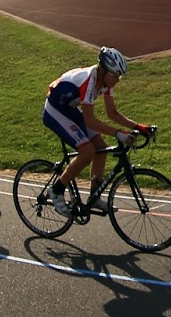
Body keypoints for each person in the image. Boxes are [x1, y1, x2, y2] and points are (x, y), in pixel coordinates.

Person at [40, 46, 153, 216]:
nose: (118, 80)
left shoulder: (106, 81)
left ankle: (94, 196)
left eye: (119, 76)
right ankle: (56, 190)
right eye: (115, 75)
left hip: (69, 108)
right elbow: (89, 120)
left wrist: (137, 126)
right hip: (55, 111)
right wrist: (118, 133)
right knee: (87, 151)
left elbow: (112, 113)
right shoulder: (89, 82)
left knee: (101, 148)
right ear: (104, 71)